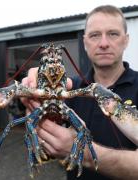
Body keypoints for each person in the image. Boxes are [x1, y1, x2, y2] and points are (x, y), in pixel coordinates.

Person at [21, 5, 138, 180]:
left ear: (126, 40)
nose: (104, 43)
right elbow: (48, 143)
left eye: (113, 33)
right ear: (84, 42)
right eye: (94, 35)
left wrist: (85, 154)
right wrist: (33, 95)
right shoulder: (71, 87)